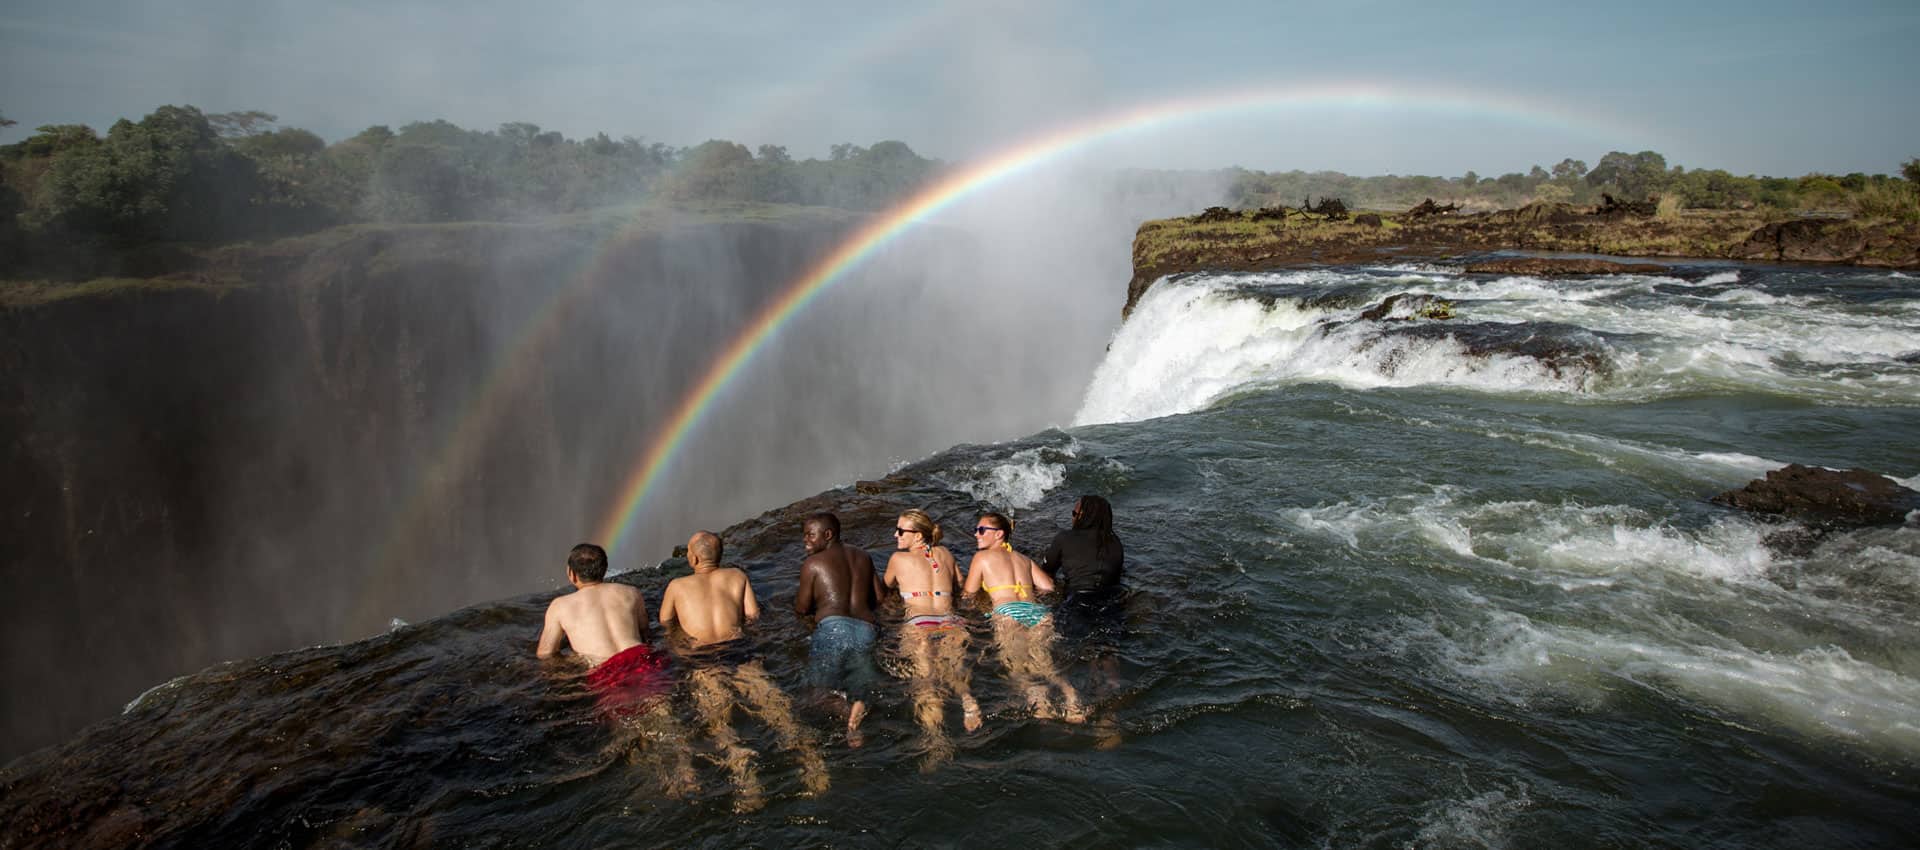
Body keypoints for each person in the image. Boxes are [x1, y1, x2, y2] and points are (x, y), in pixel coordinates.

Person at [659, 530, 827, 809]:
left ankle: (746, 777)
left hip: (702, 657)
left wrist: (679, 648)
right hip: (739, 650)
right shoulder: (737, 576)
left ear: (694, 557)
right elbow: (753, 616)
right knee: (777, 708)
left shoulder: (677, 586)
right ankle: (814, 765)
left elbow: (665, 623)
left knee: (719, 722)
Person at [535, 543, 690, 795]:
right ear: (605, 570)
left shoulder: (560, 606)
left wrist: (573, 660)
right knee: (665, 716)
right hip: (642, 658)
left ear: (571, 574)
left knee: (629, 728)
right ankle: (687, 771)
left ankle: (658, 785)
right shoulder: (630, 592)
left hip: (607, 671)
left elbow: (545, 653)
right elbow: (645, 633)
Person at [962, 512, 1085, 723]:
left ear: (999, 534)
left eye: (981, 530)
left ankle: (1041, 704)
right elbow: (1048, 587)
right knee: (1045, 664)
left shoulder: (981, 558)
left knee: (1016, 667)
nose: (976, 534)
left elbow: (968, 594)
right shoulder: (1023, 559)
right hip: (1038, 614)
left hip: (1008, 612)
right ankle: (1071, 697)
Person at [882, 508, 981, 770]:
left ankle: (937, 741)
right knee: (955, 671)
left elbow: (886, 587)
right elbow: (959, 585)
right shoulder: (946, 554)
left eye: (901, 531)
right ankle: (968, 701)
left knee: (926, 682)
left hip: (919, 622)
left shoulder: (897, 559)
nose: (895, 535)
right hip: (951, 622)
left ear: (917, 536)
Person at [792, 512, 881, 746]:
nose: (805, 541)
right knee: (861, 684)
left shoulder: (813, 564)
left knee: (817, 693)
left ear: (828, 534)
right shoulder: (864, 556)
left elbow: (801, 608)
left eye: (810, 535)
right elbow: (881, 597)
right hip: (867, 629)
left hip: (833, 629)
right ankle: (857, 712)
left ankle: (847, 711)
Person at [1036, 494, 1127, 646]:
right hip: (1112, 600)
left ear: (1082, 516)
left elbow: (1046, 572)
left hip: (1078, 601)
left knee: (1080, 646)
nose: (1072, 518)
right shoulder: (1115, 542)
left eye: (1074, 514)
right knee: (1108, 649)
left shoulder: (1064, 538)